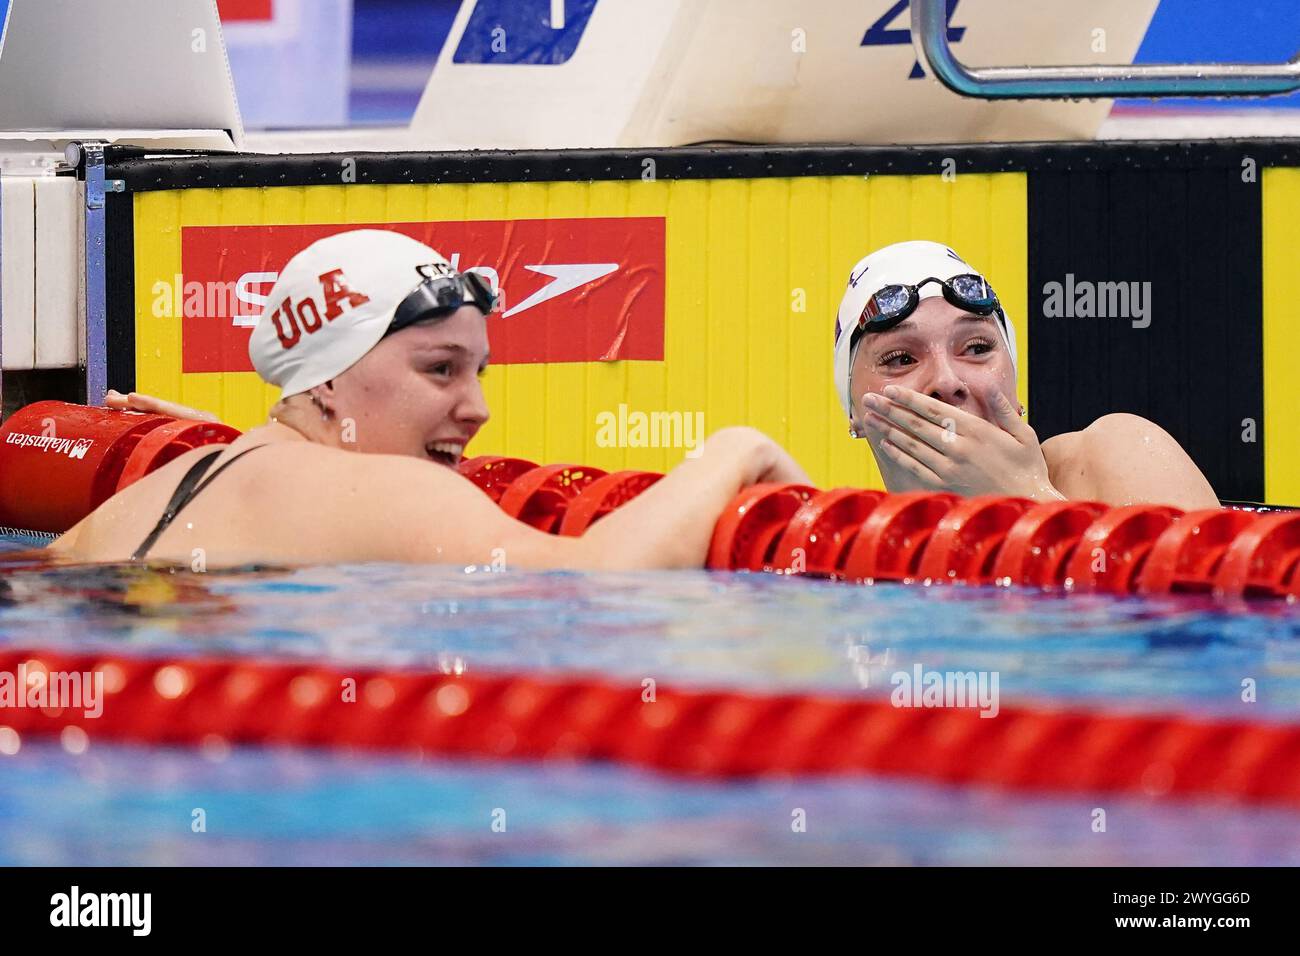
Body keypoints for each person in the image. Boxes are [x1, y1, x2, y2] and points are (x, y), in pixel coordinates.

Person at [49, 230, 808, 568]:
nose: (477, 409)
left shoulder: (147, 498)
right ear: (327, 379)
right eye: (441, 370)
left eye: (479, 373)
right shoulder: (383, 487)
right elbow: (597, 583)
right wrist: (735, 448)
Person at [832, 241, 1219, 510]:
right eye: (901, 359)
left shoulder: (1114, 456)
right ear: (853, 409)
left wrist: (1027, 497)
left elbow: (1204, 620)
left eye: (977, 348)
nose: (947, 381)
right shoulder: (860, 555)